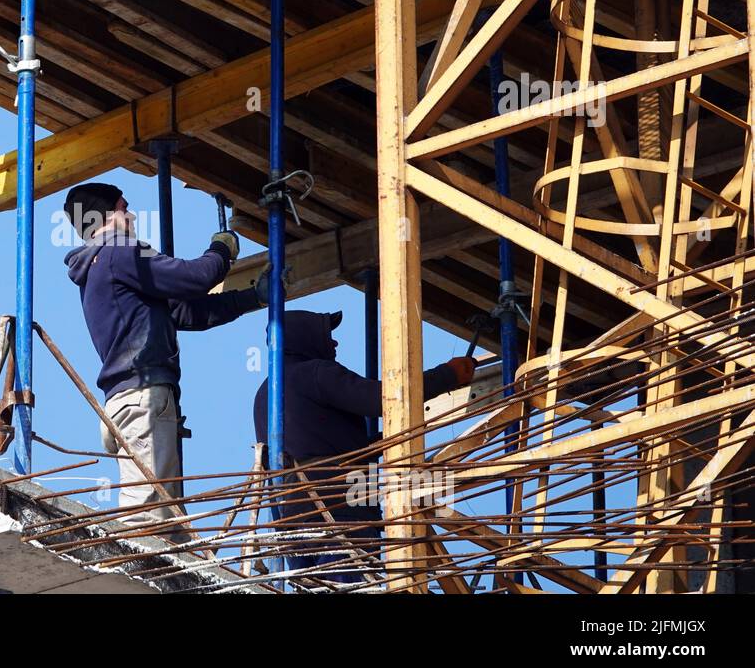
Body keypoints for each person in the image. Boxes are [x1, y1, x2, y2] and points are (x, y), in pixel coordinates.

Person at [63, 182, 271, 538]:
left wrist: (254, 297)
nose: (130, 215)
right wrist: (221, 251)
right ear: (105, 215)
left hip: (130, 401)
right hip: (143, 397)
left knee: (170, 526)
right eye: (123, 207)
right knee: (145, 522)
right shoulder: (119, 251)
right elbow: (193, 279)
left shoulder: (103, 268)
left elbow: (186, 311)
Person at [252, 309, 475, 583]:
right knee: (350, 585)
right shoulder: (316, 373)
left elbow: (317, 446)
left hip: (292, 518)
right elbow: (383, 399)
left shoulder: (265, 393)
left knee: (314, 589)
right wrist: (448, 375)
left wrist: (379, 443)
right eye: (326, 335)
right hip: (342, 505)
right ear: (303, 338)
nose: (334, 344)